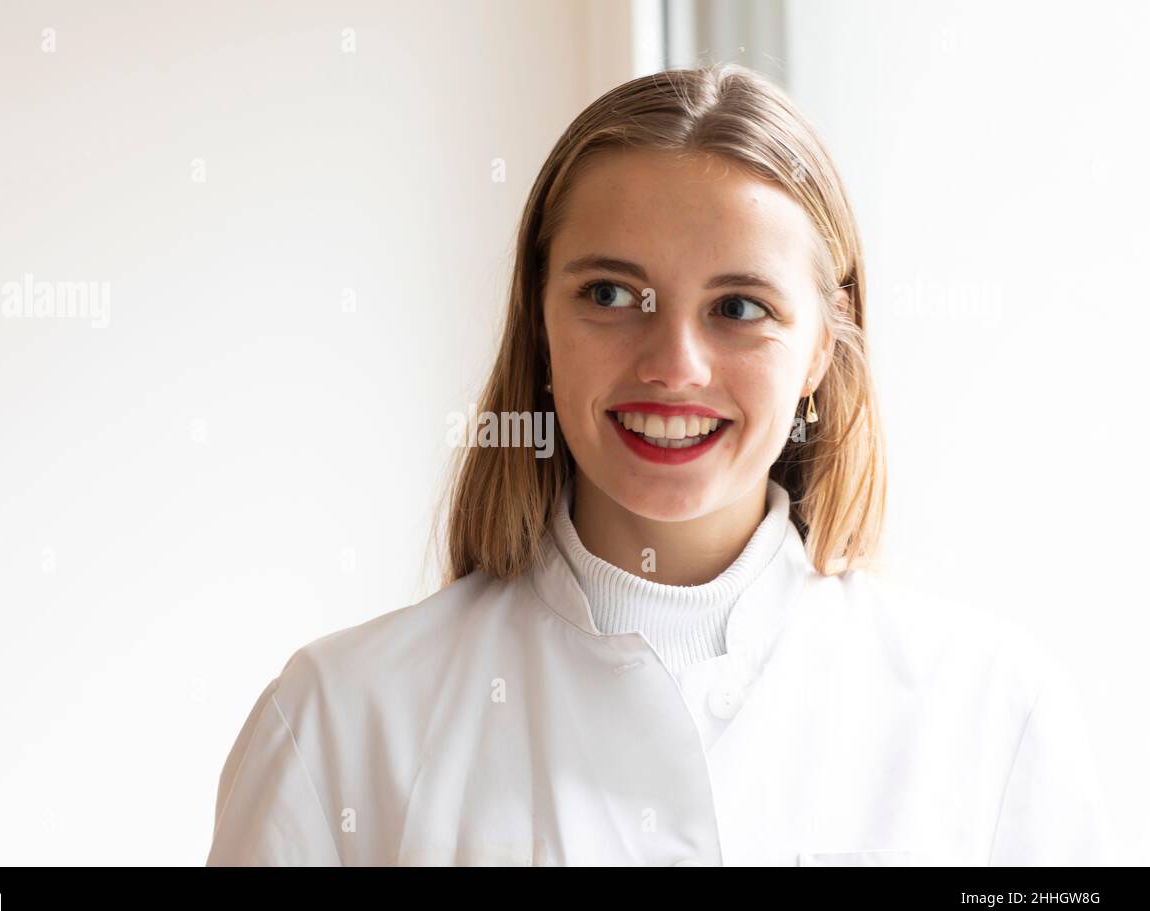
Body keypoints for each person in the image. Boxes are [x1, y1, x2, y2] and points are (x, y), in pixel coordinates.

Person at [204, 63, 1111, 866]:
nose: (673, 365)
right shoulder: (339, 721)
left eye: (740, 307)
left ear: (823, 352)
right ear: (541, 326)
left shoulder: (993, 716)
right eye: (610, 294)